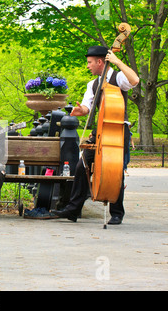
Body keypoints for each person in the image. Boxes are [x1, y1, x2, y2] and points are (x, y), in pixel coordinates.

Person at [52, 45, 139, 225]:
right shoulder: (92, 84)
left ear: (100, 62)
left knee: (115, 171)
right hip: (100, 132)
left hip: (118, 130)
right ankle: (73, 209)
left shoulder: (118, 77)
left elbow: (135, 80)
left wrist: (117, 61)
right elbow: (87, 107)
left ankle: (116, 212)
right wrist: (79, 111)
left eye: (90, 62)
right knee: (81, 166)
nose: (88, 66)